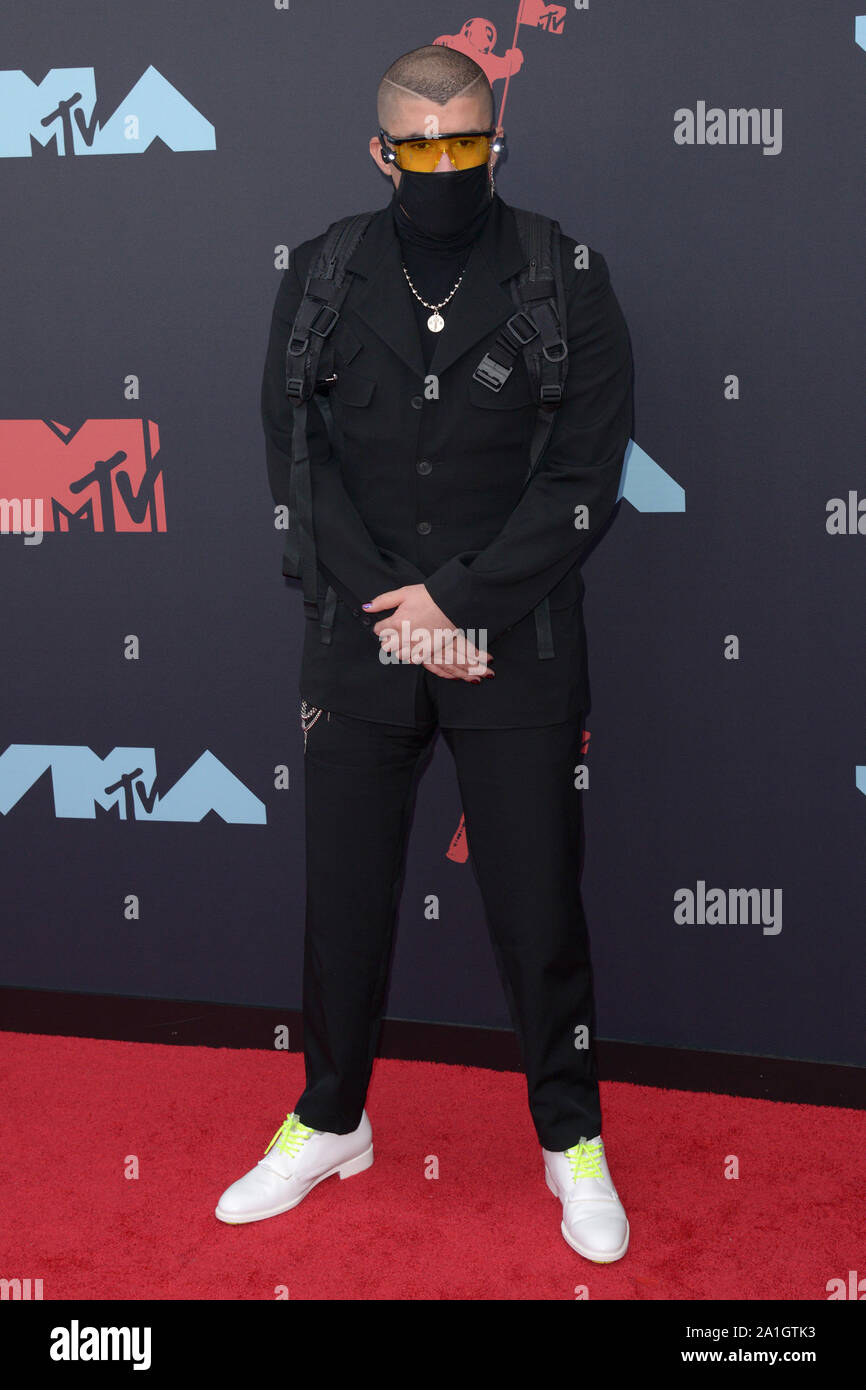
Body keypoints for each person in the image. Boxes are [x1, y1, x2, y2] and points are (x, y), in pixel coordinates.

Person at [216, 43, 634, 1264]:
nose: (444, 167)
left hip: (520, 643)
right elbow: (297, 462)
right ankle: (329, 1116)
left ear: (497, 140)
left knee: (537, 908)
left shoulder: (566, 276)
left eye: (467, 145)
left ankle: (571, 1143)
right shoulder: (324, 274)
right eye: (420, 146)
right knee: (341, 903)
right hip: (359, 640)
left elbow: (581, 482)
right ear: (378, 150)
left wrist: (453, 607)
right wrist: (395, 610)